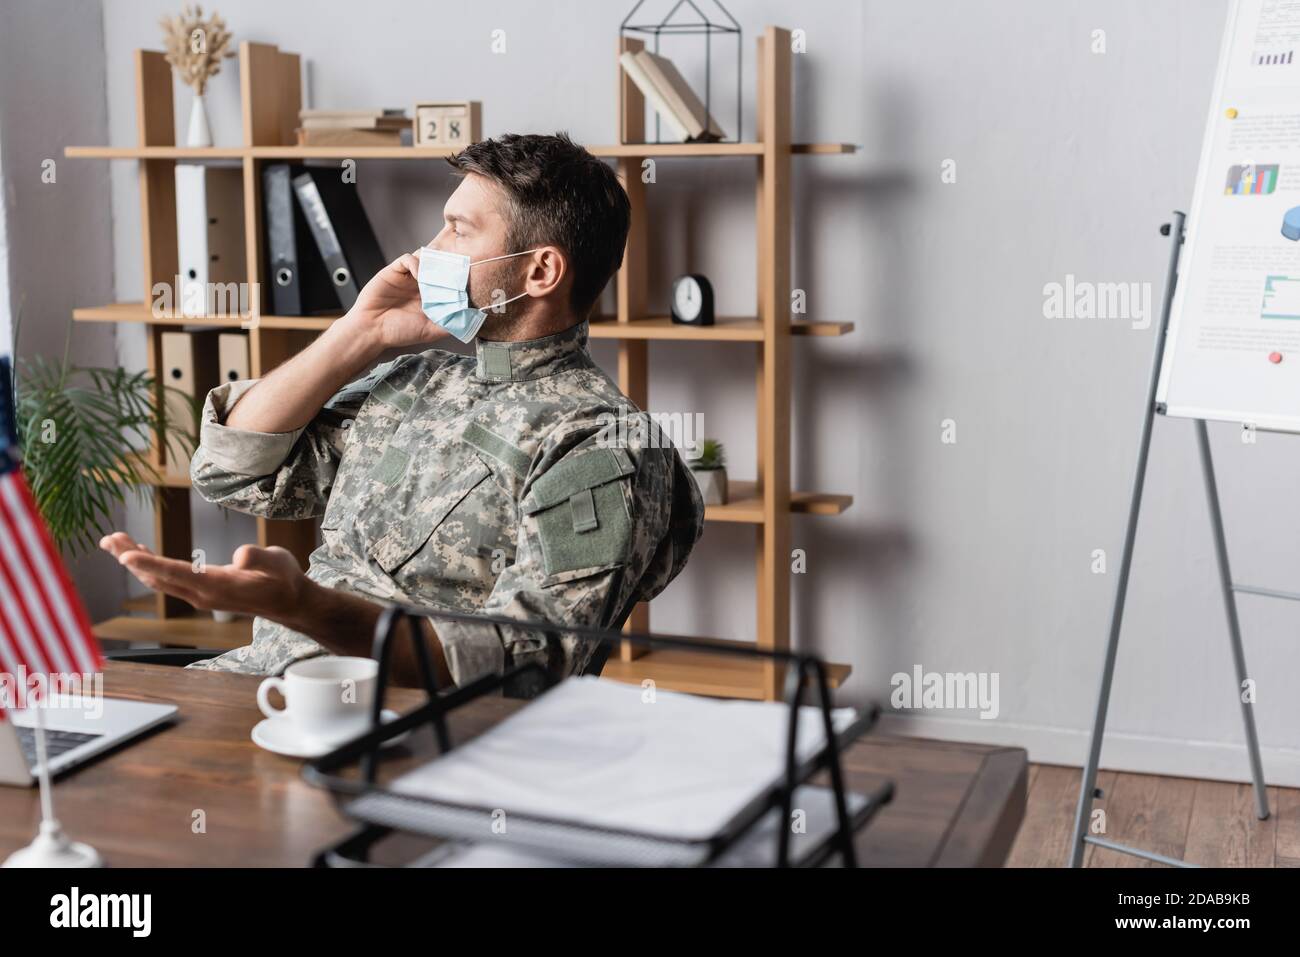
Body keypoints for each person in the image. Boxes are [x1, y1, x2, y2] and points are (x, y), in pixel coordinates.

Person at [99, 132, 705, 695]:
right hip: (259, 686)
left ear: (540, 270)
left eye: (457, 231)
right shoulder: (416, 378)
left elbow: (527, 664)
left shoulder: (601, 442)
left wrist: (307, 607)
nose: (424, 254)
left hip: (405, 733)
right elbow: (231, 472)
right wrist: (358, 334)